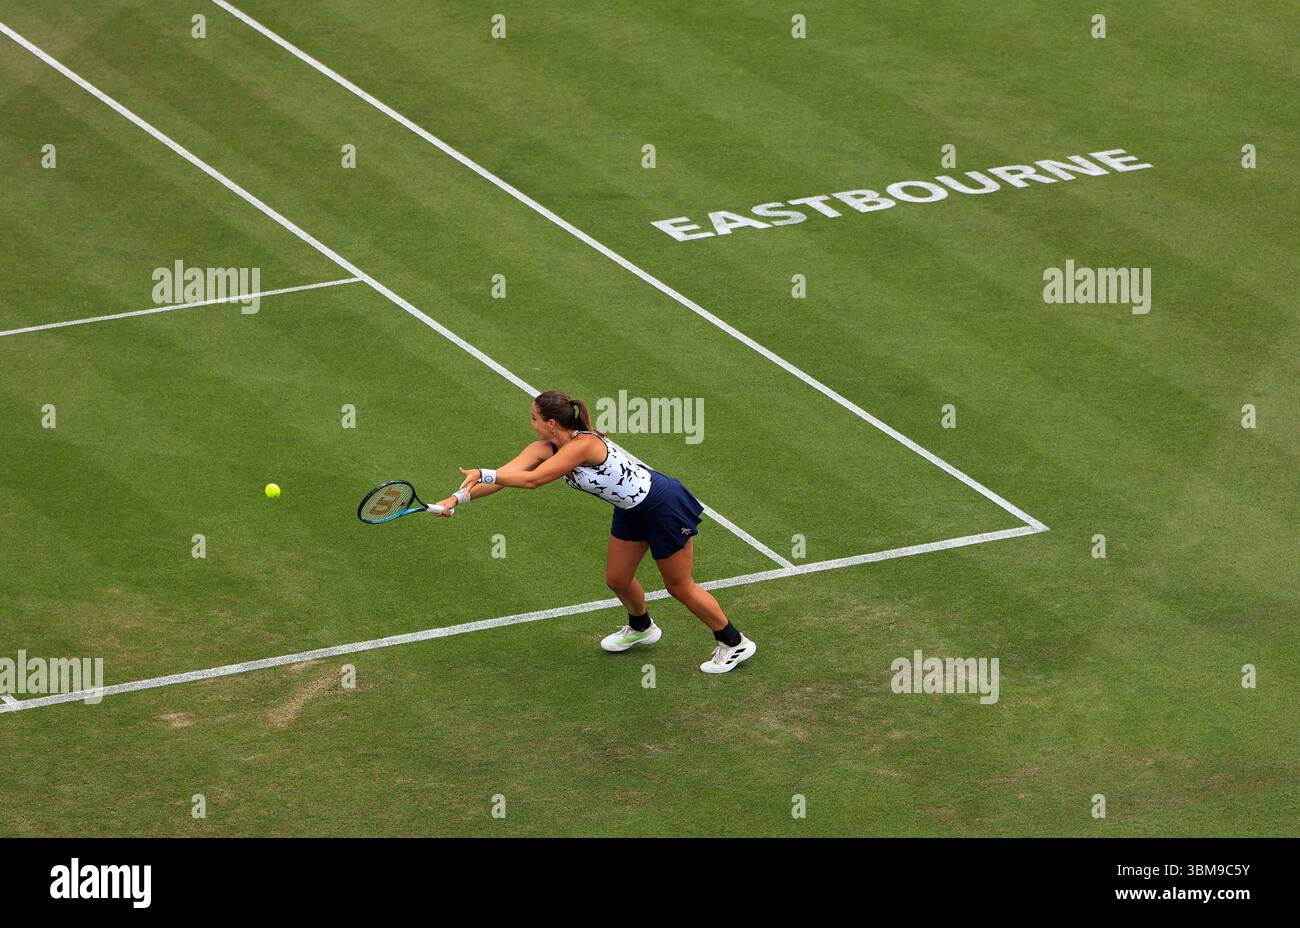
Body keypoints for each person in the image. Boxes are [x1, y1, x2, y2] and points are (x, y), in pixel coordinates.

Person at [435, 390, 756, 674]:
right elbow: (506, 477)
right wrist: (456, 499)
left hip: (661, 506)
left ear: (551, 423)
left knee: (679, 586)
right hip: (631, 511)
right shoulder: (544, 448)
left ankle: (733, 641)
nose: (531, 423)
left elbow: (532, 481)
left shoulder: (583, 445)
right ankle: (642, 627)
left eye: (533, 418)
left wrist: (484, 473)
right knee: (617, 579)